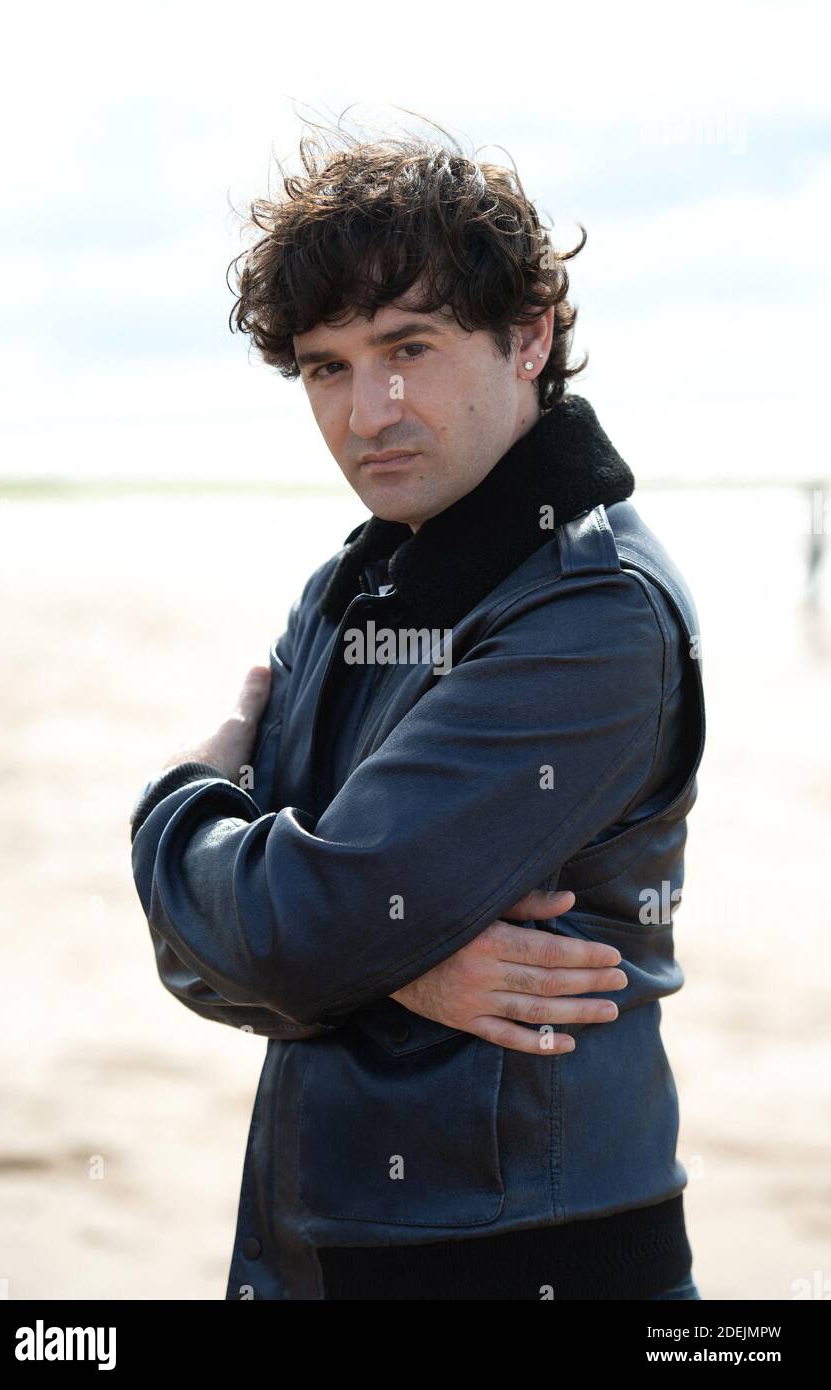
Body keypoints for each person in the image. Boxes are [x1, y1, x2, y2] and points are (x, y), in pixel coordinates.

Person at [130, 119, 706, 1301]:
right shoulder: (350, 582)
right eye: (326, 366)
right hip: (318, 1244)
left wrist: (177, 807)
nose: (367, 412)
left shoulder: (591, 615)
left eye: (409, 347)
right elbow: (227, 951)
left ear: (528, 337)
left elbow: (287, 932)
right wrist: (382, 960)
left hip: (526, 1261)